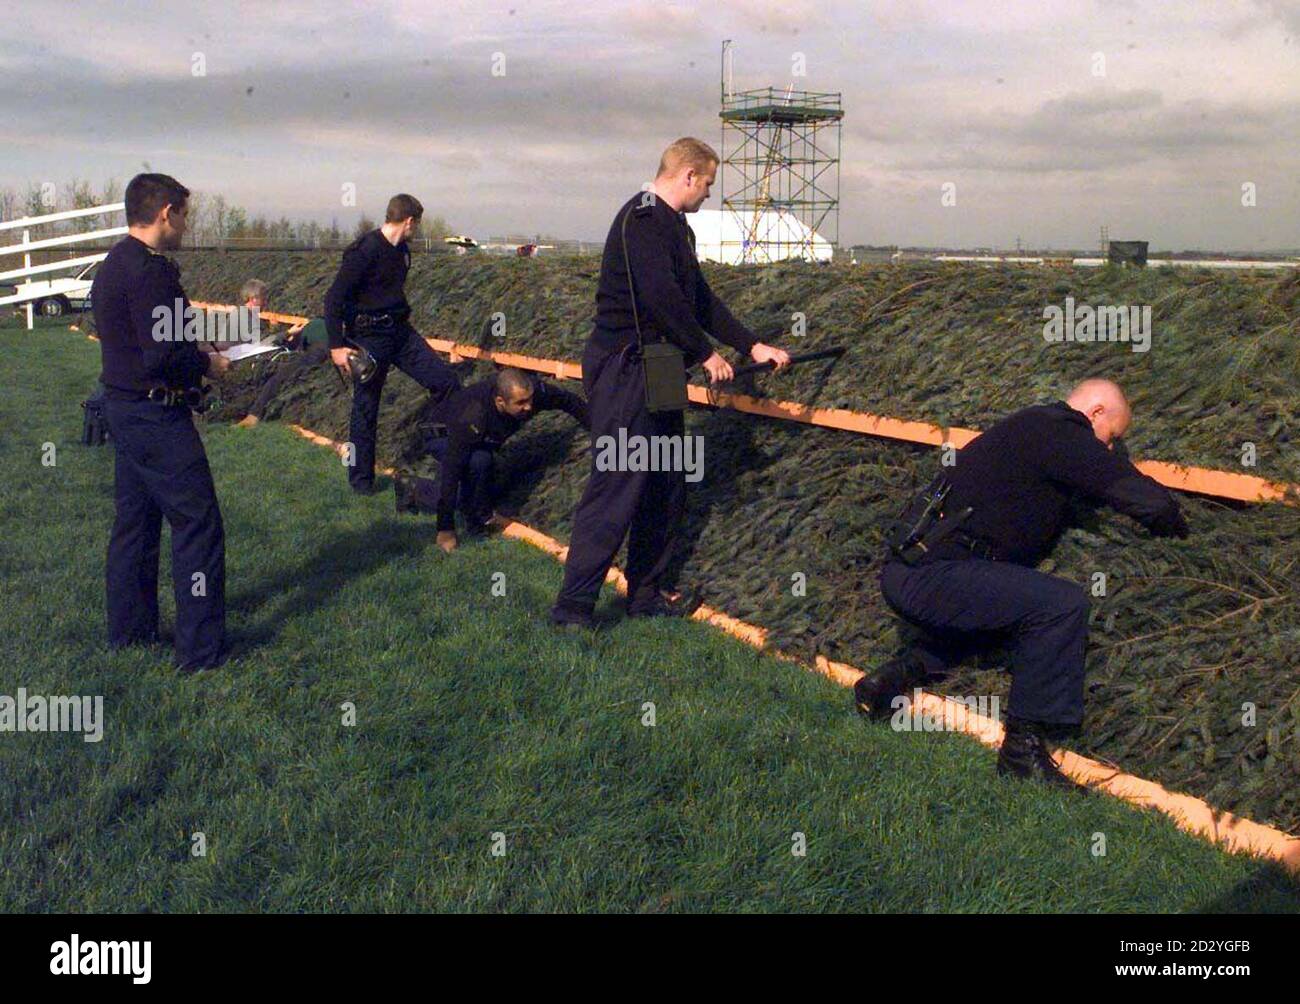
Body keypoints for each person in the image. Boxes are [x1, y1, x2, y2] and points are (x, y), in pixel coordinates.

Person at [857, 378, 1190, 789]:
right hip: (932, 575)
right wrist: (1179, 522)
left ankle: (889, 681)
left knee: (996, 616)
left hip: (913, 571)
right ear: (1096, 412)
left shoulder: (1032, 425)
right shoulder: (1062, 431)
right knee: (1059, 605)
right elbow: (1139, 495)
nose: (1108, 447)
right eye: (1112, 436)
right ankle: (1021, 751)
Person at [549, 137, 791, 628]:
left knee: (664, 482)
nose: (708, 195)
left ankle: (646, 595)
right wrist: (704, 353)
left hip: (657, 367)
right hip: (625, 366)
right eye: (707, 184)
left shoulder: (675, 228)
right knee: (617, 484)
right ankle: (572, 609)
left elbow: (698, 299)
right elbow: (660, 295)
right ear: (687, 176)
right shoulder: (643, 219)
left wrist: (751, 346)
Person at [92, 172, 231, 672]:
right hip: (155, 415)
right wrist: (207, 364)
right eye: (184, 215)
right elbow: (162, 353)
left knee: (135, 524)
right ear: (166, 213)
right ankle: (200, 653)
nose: (186, 226)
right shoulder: (152, 271)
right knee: (198, 525)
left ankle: (129, 632)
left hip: (123, 410)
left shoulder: (111, 264)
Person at [323, 194, 460, 493]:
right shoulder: (364, 251)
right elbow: (333, 299)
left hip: (400, 333)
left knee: (446, 382)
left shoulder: (403, 253)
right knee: (366, 408)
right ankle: (361, 483)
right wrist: (337, 347)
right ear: (409, 221)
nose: (417, 230)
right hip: (369, 338)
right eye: (417, 224)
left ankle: (443, 458)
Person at [395, 367, 589, 551]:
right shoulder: (474, 414)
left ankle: (418, 490)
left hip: (477, 439)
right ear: (500, 401)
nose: (529, 407)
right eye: (520, 403)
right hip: (441, 435)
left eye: (529, 400)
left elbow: (569, 401)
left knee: (485, 481)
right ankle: (426, 495)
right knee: (480, 462)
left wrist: (599, 429)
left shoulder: (535, 393)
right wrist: (445, 529)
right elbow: (452, 471)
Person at [233, 278, 329, 428]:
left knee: (279, 375)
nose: (266, 301)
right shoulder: (242, 318)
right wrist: (286, 334)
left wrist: (286, 336)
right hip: (315, 346)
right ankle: (252, 415)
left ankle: (253, 415)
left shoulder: (246, 316)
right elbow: (261, 343)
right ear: (253, 298)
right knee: (278, 376)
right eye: (264, 297)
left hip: (318, 346)